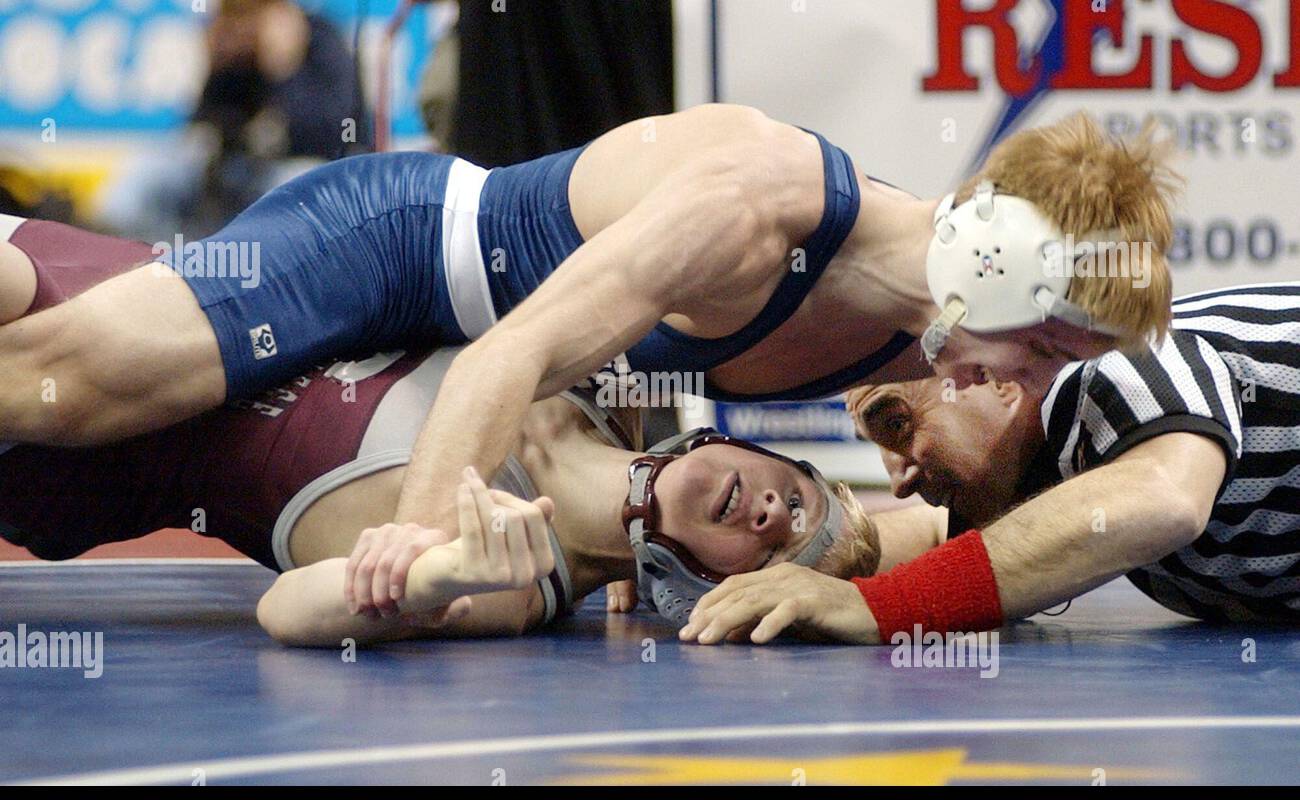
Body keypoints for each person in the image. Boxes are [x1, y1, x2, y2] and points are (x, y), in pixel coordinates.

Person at [0, 109, 1175, 617]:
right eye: (1051, 345)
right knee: (65, 384)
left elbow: (932, 515)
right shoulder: (763, 200)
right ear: (997, 264)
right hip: (384, 250)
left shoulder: (912, 333)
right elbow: (507, 354)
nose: (1026, 382)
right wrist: (421, 536)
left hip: (452, 346)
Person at [0, 215, 876, 642]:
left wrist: (429, 575)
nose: (769, 511)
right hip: (91, 281)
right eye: (792, 491)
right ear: (740, 442)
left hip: (63, 455)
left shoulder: (508, 581)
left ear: (707, 593)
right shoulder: (602, 370)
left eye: (779, 543)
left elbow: (285, 608)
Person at [680, 282, 1300, 644]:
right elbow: (939, 538)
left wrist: (875, 608)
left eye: (897, 422)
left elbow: (1162, 499)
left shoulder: (1112, 364)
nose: (898, 480)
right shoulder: (1061, 463)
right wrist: (694, 557)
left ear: (995, 377)